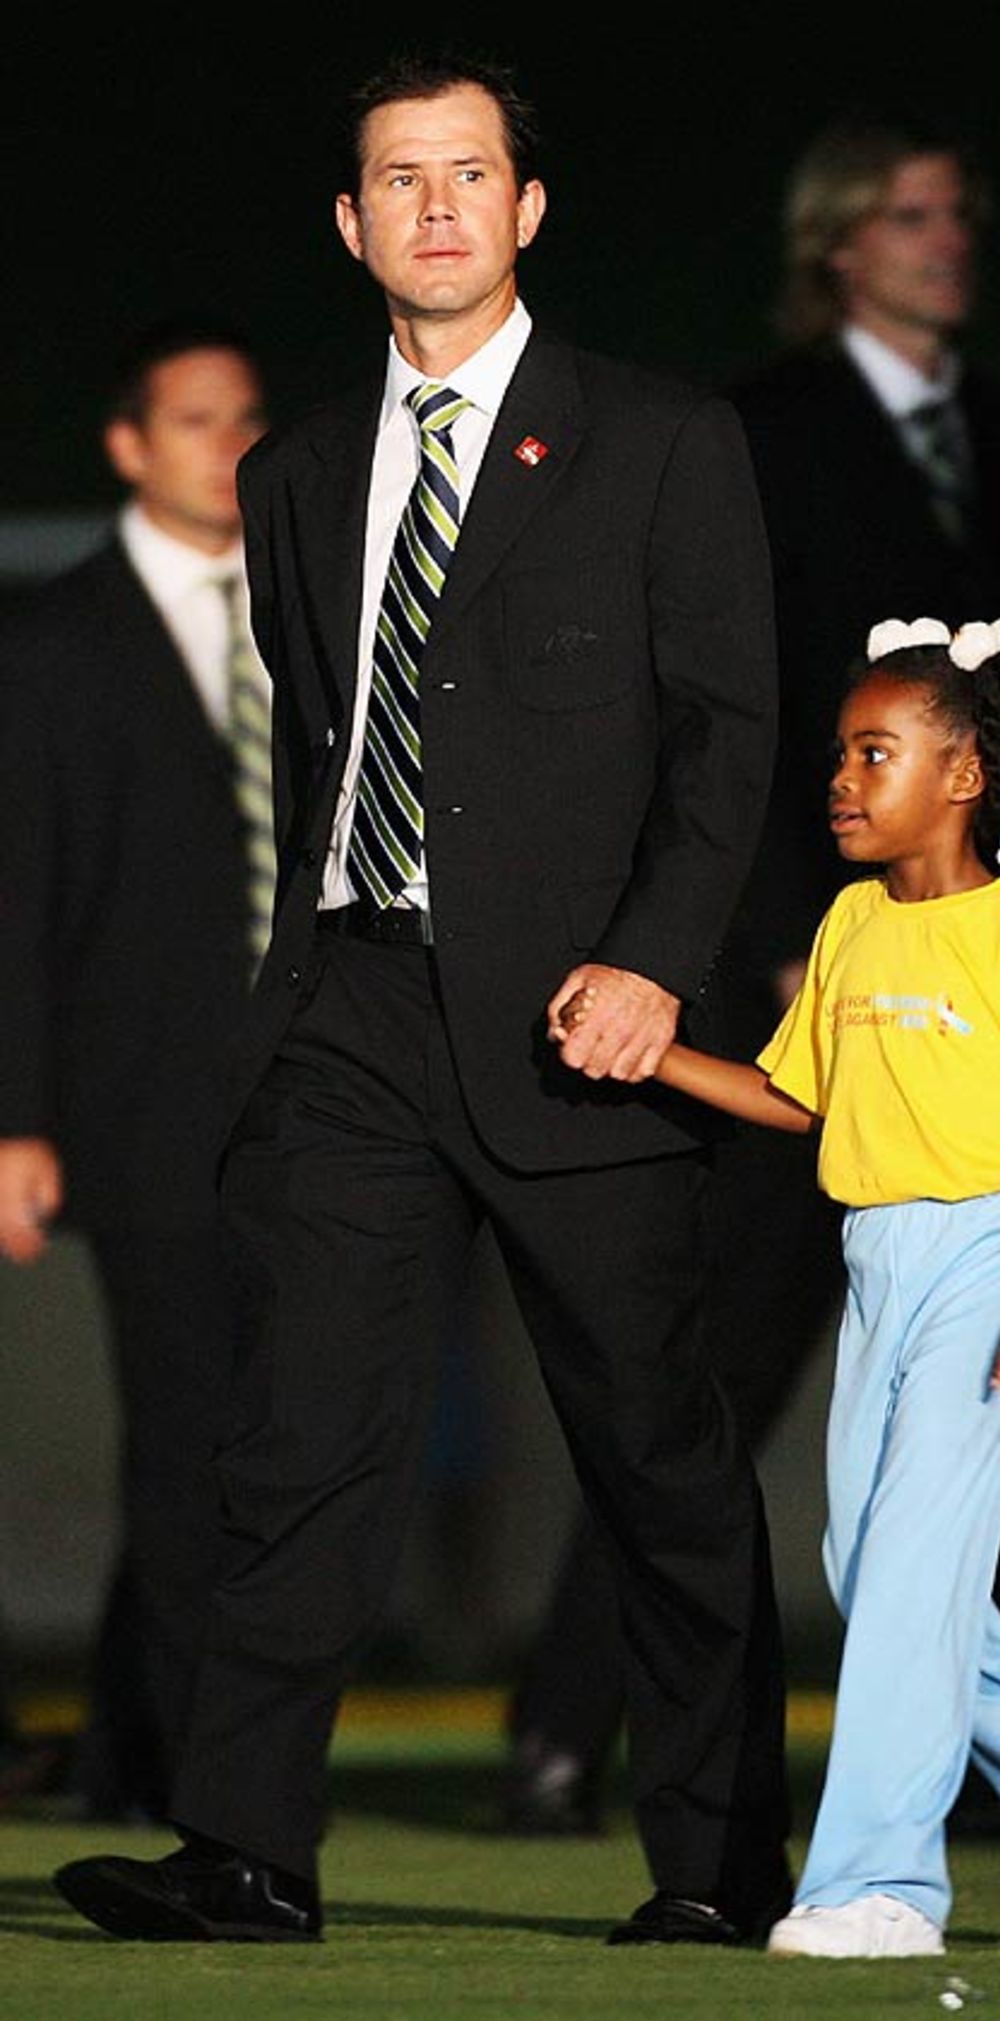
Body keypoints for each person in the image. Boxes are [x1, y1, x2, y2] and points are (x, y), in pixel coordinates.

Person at [52, 50, 791, 1948]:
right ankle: (244, 1847)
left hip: (581, 1020)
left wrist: (653, 962)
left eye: (474, 173)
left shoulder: (657, 435)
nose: (440, 205)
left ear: (529, 211)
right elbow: (324, 736)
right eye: (401, 177)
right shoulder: (291, 473)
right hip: (354, 1011)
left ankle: (714, 1867)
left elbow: (728, 739)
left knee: (654, 1450)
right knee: (291, 1434)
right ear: (351, 222)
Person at [503, 109, 1000, 1835]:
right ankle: (562, 1723)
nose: (946, 237)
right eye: (911, 214)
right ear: (838, 244)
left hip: (970, 981)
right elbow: (728, 705)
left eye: (957, 211)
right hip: (797, 978)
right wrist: (745, 953)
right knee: (719, 1375)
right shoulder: (763, 431)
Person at [559, 614, 1000, 1958]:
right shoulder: (846, 923)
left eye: (873, 753)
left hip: (992, 1252)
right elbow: (788, 1093)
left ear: (960, 775)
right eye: (839, 754)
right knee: (866, 1564)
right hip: (877, 1260)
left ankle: (882, 1886)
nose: (840, 780)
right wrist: (647, 1052)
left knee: (902, 1579)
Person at [0, 319, 272, 1821]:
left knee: (245, 1424)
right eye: (192, 419)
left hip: (300, 1095)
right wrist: (15, 1119)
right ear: (127, 445)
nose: (227, 447)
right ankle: (194, 1771)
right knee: (191, 1429)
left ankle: (125, 1743)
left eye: (246, 418)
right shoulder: (54, 641)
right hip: (140, 1103)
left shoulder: (307, 615)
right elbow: (16, 898)